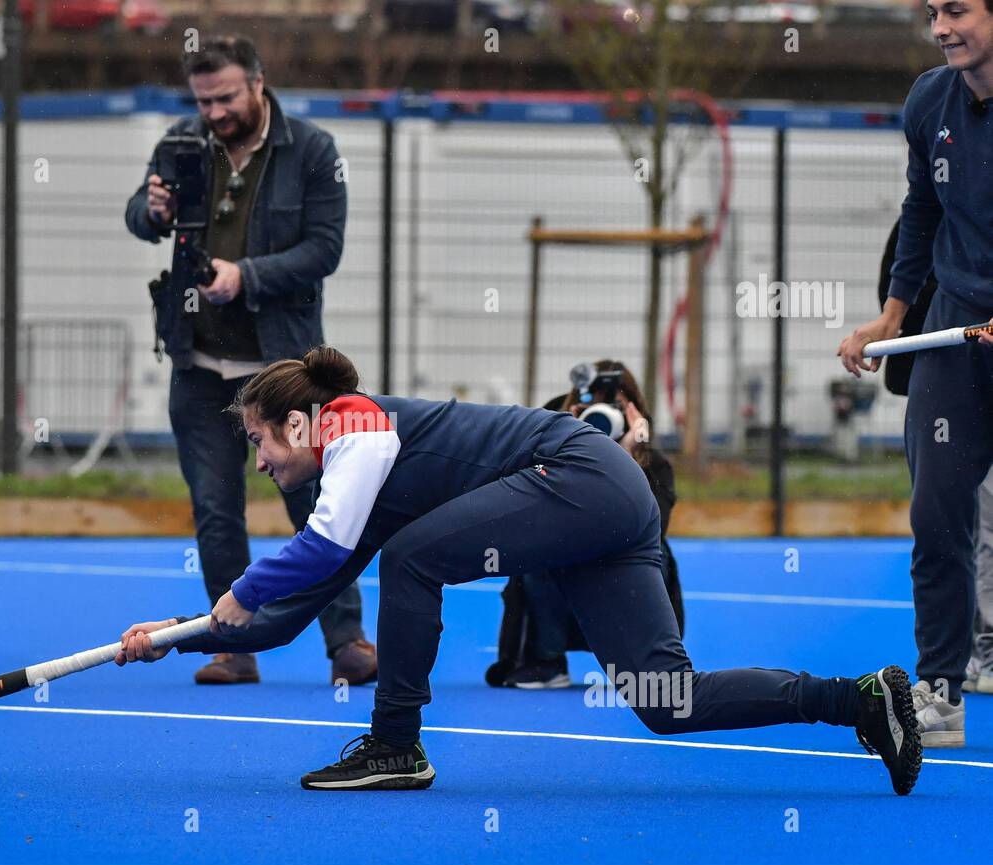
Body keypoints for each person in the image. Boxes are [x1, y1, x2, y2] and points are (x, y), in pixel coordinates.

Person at [116, 347, 923, 796]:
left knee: (413, 558)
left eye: (259, 441)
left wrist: (238, 587)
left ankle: (397, 746)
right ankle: (858, 699)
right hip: (602, 506)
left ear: (299, 422)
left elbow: (317, 556)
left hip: (582, 478)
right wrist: (176, 637)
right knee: (666, 701)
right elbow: (300, 606)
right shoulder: (348, 484)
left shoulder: (353, 425)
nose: (257, 462)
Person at [124, 35, 373, 687]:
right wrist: (149, 213)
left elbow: (325, 248)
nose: (214, 111)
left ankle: (347, 640)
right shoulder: (180, 143)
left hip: (283, 371)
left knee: (319, 505)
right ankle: (230, 644)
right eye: (203, 100)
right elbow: (136, 217)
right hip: (197, 359)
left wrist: (246, 277)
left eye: (226, 96)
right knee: (214, 508)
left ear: (258, 84)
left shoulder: (312, 150)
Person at [838, 0, 993, 746]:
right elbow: (922, 213)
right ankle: (940, 696)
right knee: (937, 518)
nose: (940, 27)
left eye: (957, 10)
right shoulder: (928, 99)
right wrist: (893, 318)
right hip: (953, 337)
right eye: (933, 12)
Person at [486, 360, 683, 690]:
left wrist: (623, 458)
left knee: (656, 552)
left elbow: (647, 529)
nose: (601, 419)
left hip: (622, 569)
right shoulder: (550, 452)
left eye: (612, 410)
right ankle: (543, 660)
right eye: (592, 411)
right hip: (562, 565)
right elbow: (528, 508)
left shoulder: (656, 466)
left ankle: (646, 663)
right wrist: (565, 442)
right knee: (537, 545)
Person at [877, 219, 993, 695]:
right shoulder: (928, 211)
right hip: (955, 370)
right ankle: (967, 661)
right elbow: (897, 272)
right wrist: (893, 325)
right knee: (958, 523)